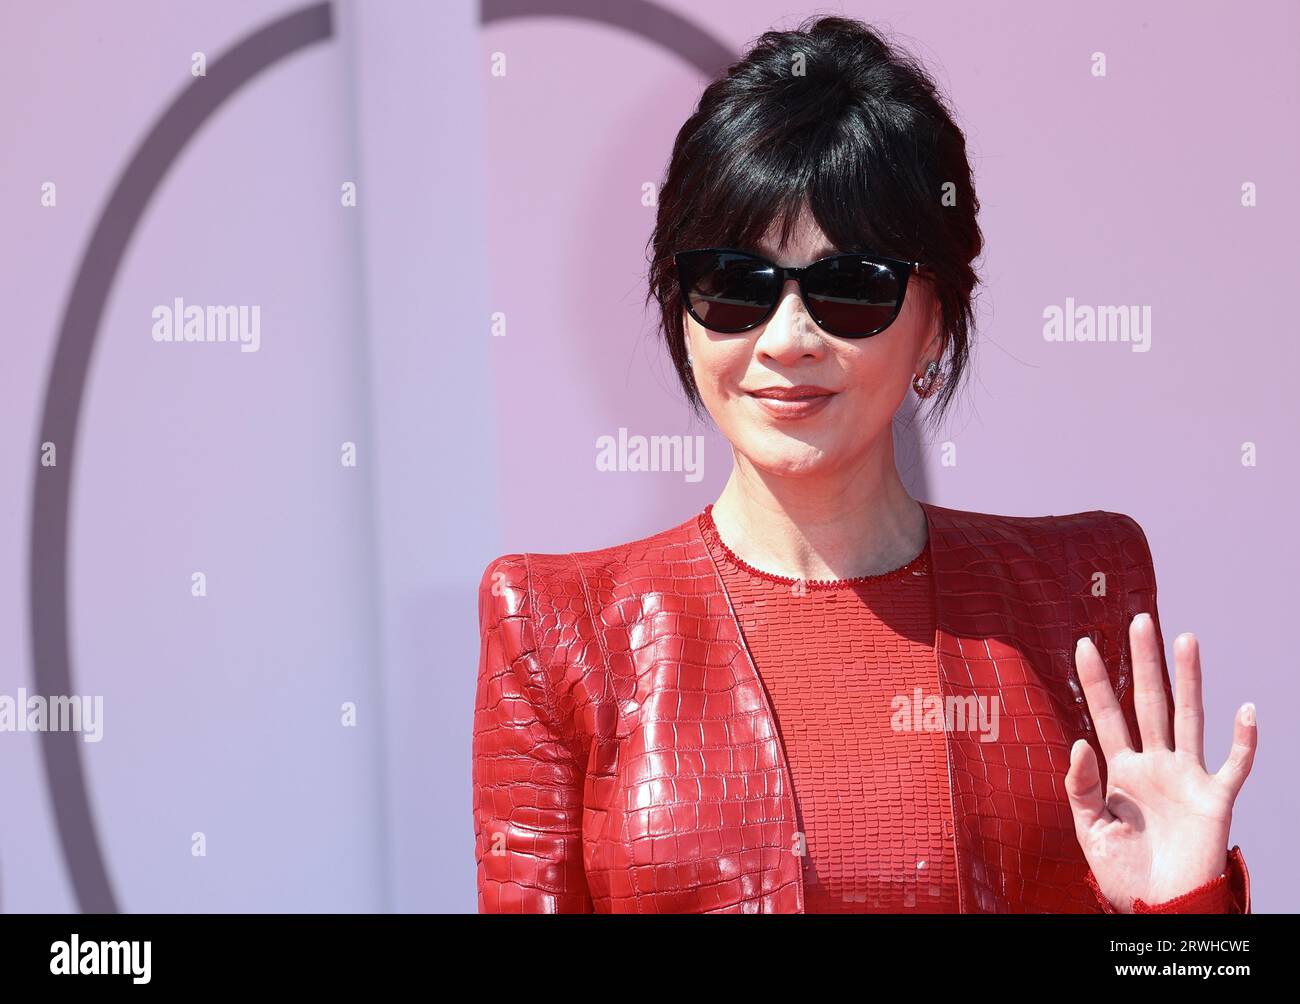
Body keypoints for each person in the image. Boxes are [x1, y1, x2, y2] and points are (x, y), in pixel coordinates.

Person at [471, 15, 1255, 913]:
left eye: (850, 286)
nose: (788, 340)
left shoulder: (1076, 595)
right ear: (679, 310)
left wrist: (1183, 911)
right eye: (735, 282)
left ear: (934, 322)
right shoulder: (558, 631)